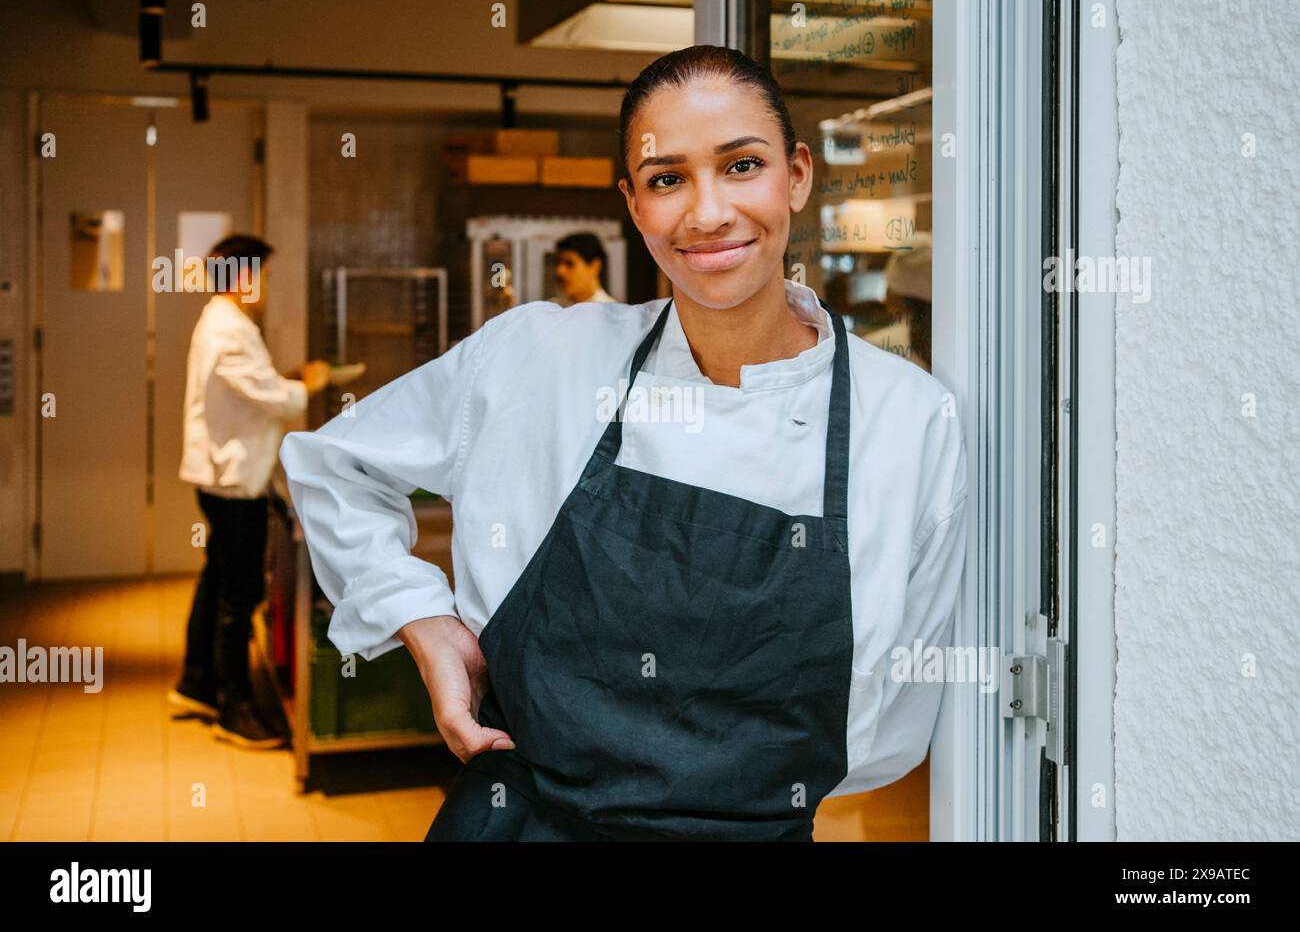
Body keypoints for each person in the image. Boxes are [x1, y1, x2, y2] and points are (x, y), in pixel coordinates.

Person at [280, 45, 968, 840]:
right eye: (667, 179)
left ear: (799, 175)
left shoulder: (907, 420)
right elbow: (335, 465)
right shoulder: (542, 358)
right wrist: (419, 618)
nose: (707, 213)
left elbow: (891, 727)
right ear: (635, 206)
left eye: (742, 166)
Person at [173, 233, 331, 748]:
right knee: (238, 594)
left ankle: (197, 682)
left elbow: (249, 387)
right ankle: (233, 708)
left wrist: (284, 381)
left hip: (223, 475)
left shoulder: (221, 321)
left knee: (217, 580)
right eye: (261, 275)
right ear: (243, 277)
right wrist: (308, 385)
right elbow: (270, 398)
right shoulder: (230, 328)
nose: (262, 285)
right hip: (233, 479)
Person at [548, 232, 615, 306]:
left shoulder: (610, 314)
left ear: (594, 266)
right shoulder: (554, 308)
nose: (559, 271)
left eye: (570, 264)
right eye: (557, 263)